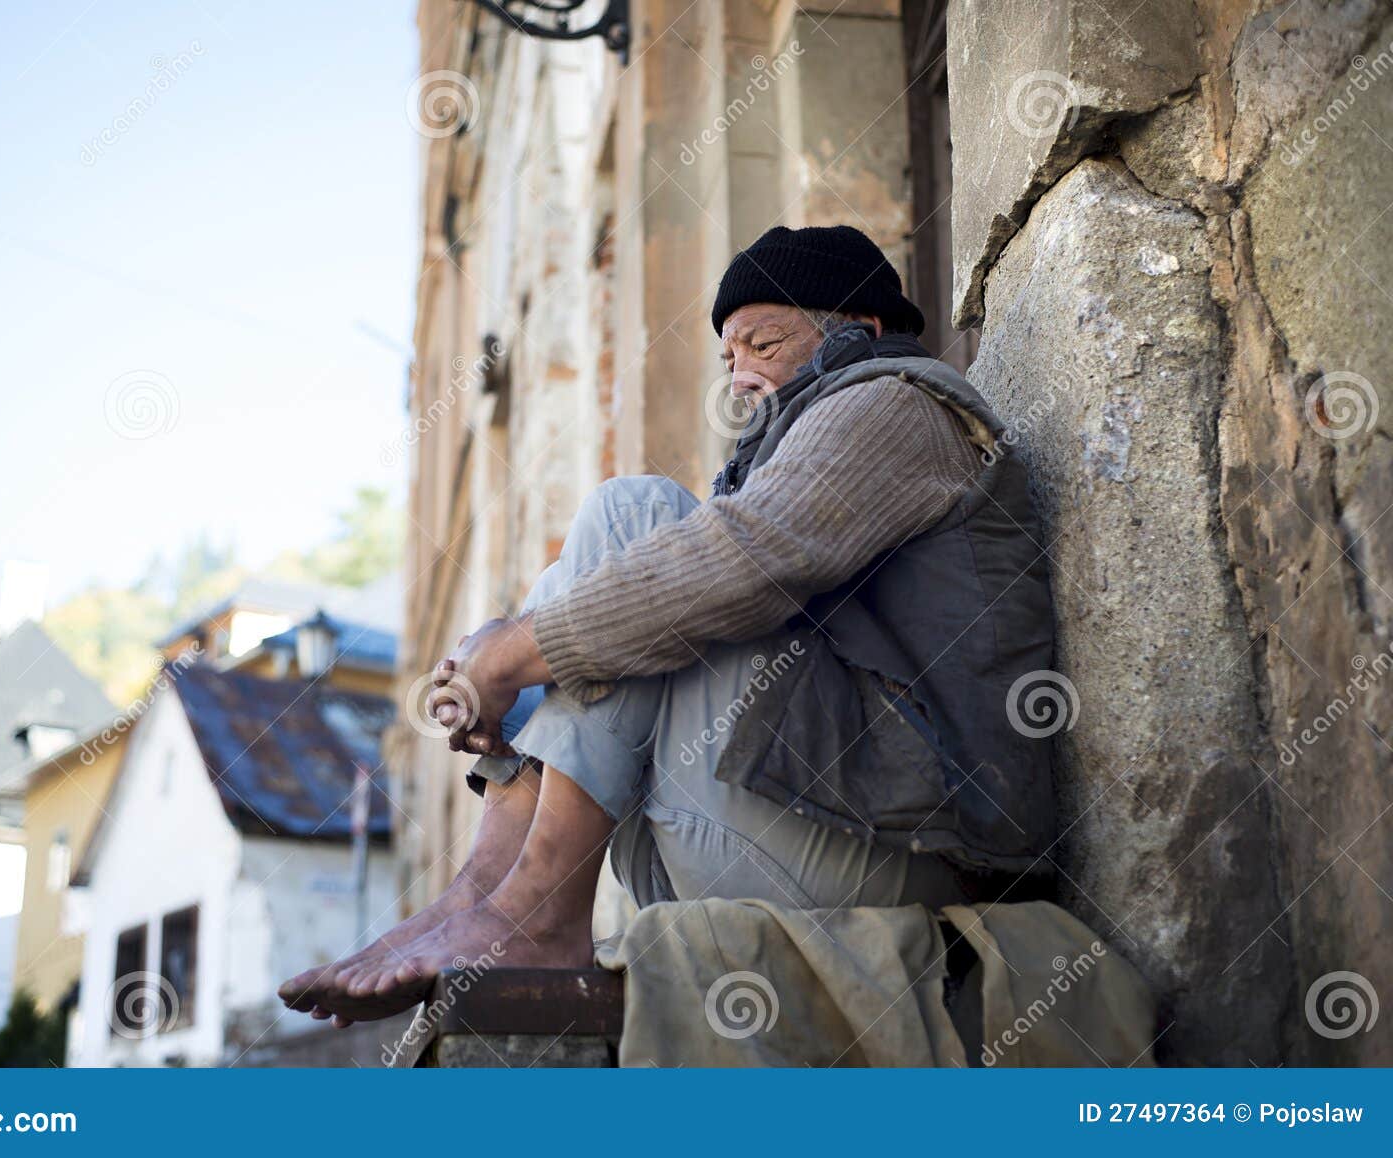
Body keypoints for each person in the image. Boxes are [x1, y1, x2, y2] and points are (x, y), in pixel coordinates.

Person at [279, 224, 1057, 1026]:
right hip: (792, 844)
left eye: (766, 341)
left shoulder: (896, 403)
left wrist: (510, 655)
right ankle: (483, 897)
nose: (744, 376)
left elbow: (748, 563)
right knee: (591, 578)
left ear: (861, 331)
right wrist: (518, 698)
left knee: (635, 518)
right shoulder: (786, 443)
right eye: (730, 357)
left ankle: (539, 916)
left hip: (921, 862)